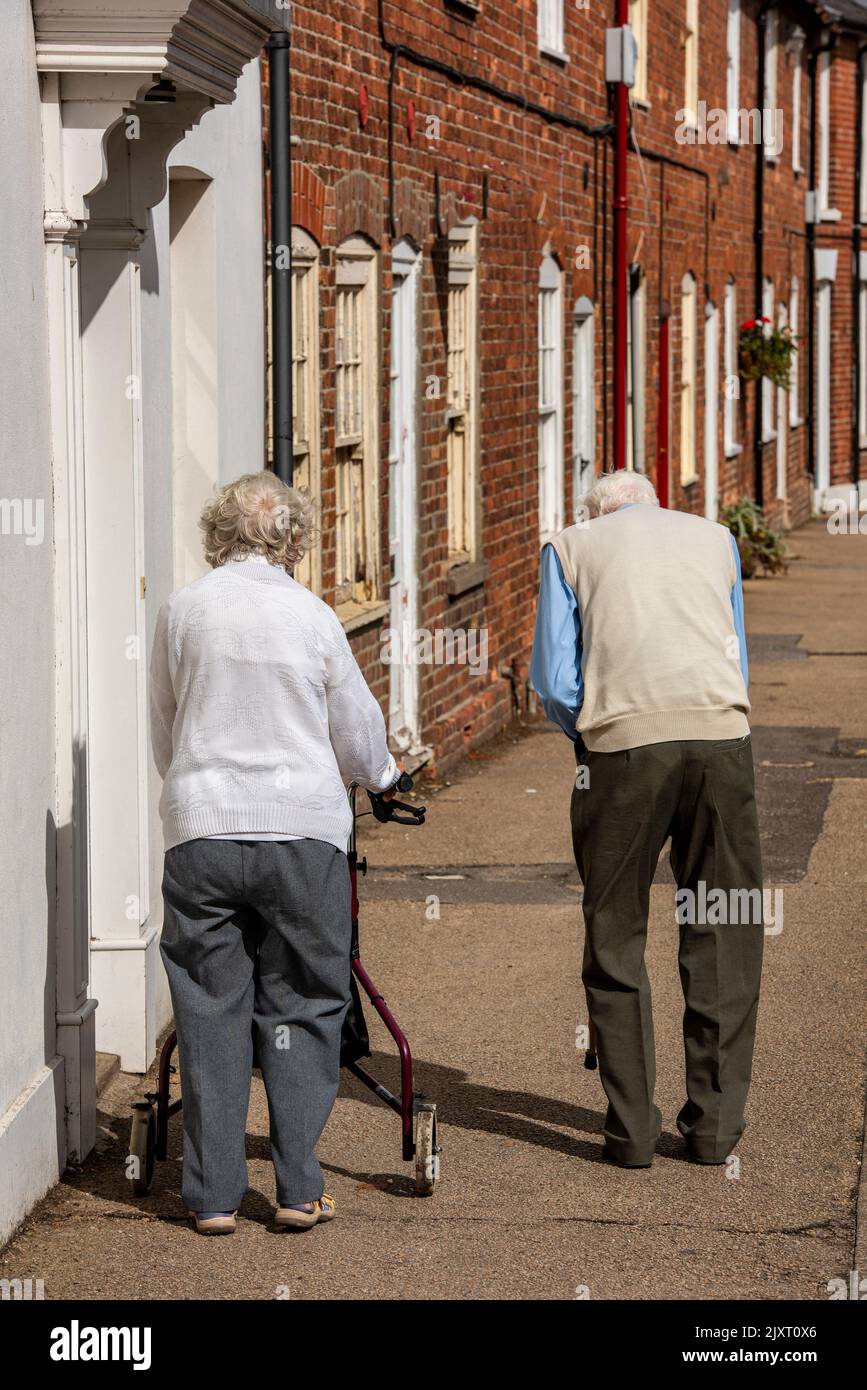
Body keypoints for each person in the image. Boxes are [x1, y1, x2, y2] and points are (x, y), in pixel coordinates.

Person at [149, 471, 401, 1233]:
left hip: (204, 833)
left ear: (215, 533)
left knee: (208, 1009)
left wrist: (195, 792)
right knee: (303, 1001)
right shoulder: (312, 615)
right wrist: (384, 776)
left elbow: (165, 726)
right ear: (292, 539)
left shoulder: (181, 612)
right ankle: (297, 1188)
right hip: (301, 835)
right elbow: (354, 728)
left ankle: (214, 1198)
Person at [530, 471, 763, 1168]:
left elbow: (554, 678)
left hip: (620, 751)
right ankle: (713, 1129)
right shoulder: (716, 539)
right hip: (720, 742)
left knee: (615, 933)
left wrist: (592, 733)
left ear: (593, 513)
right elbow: (736, 657)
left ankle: (630, 1132)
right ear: (657, 502)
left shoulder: (571, 545)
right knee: (723, 929)